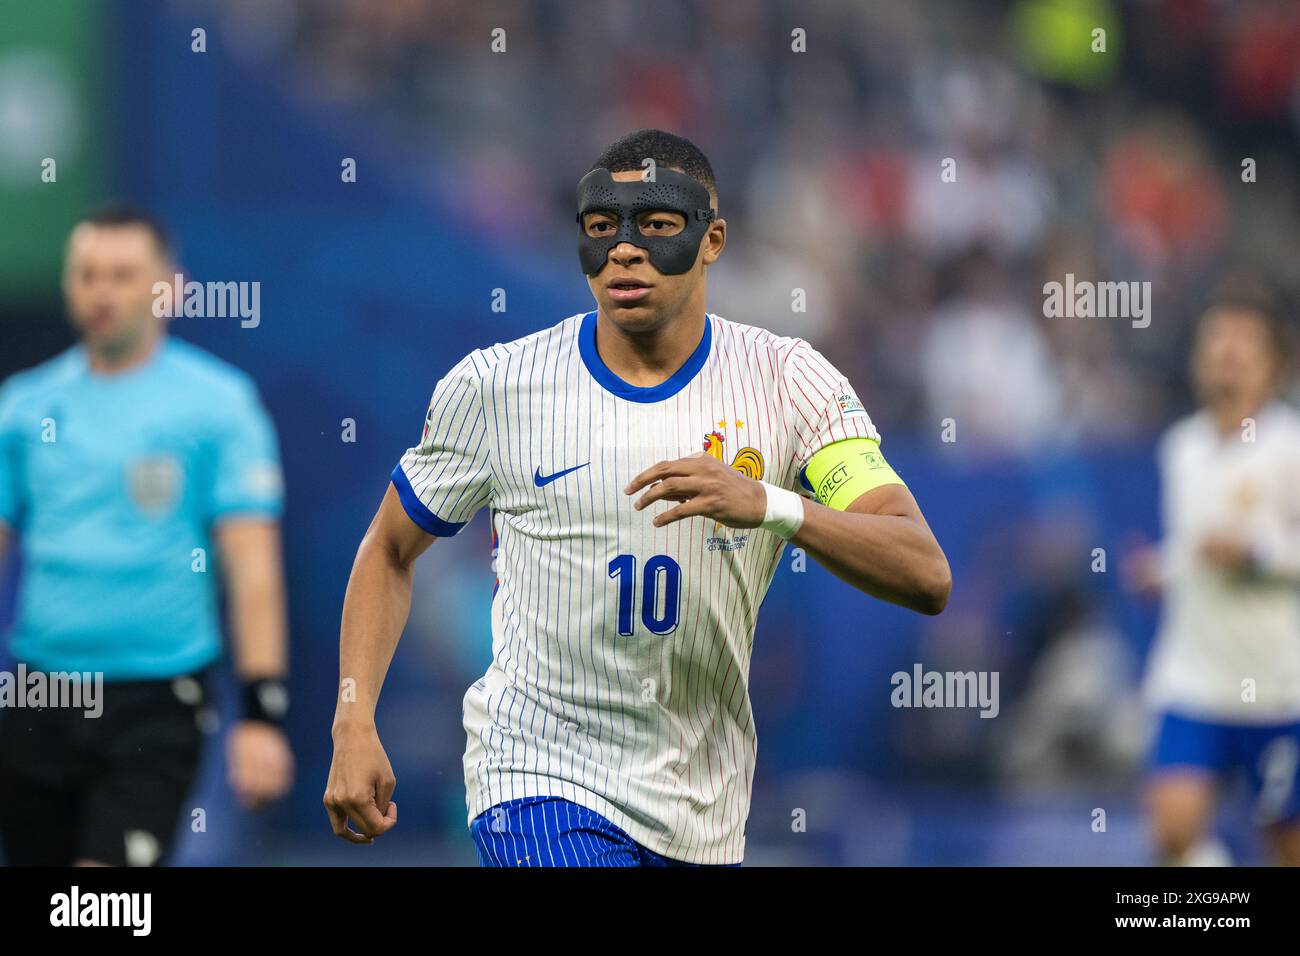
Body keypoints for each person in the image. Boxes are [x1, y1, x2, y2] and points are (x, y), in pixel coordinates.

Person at [324, 129, 950, 866]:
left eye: (655, 226)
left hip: (700, 811)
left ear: (712, 238)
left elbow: (925, 571)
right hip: (537, 780)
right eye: (601, 229)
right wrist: (352, 720)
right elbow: (389, 549)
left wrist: (772, 506)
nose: (624, 250)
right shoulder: (497, 387)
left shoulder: (790, 381)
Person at [0, 207, 294, 866]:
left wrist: (261, 716)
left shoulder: (218, 405)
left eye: (124, 275)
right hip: (38, 693)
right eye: (88, 274)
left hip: (157, 699)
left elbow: (253, 572)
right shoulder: (24, 407)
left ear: (171, 287)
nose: (103, 292)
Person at [1125, 286, 1300, 865]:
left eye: (1242, 341)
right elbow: (1193, 550)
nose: (1226, 352)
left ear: (1274, 363)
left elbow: (1258, 551)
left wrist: (1257, 555)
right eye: (1217, 339)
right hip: (1193, 679)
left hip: (1277, 687)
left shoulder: (1290, 448)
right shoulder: (1181, 449)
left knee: (1287, 846)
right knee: (1172, 832)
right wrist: (1159, 571)